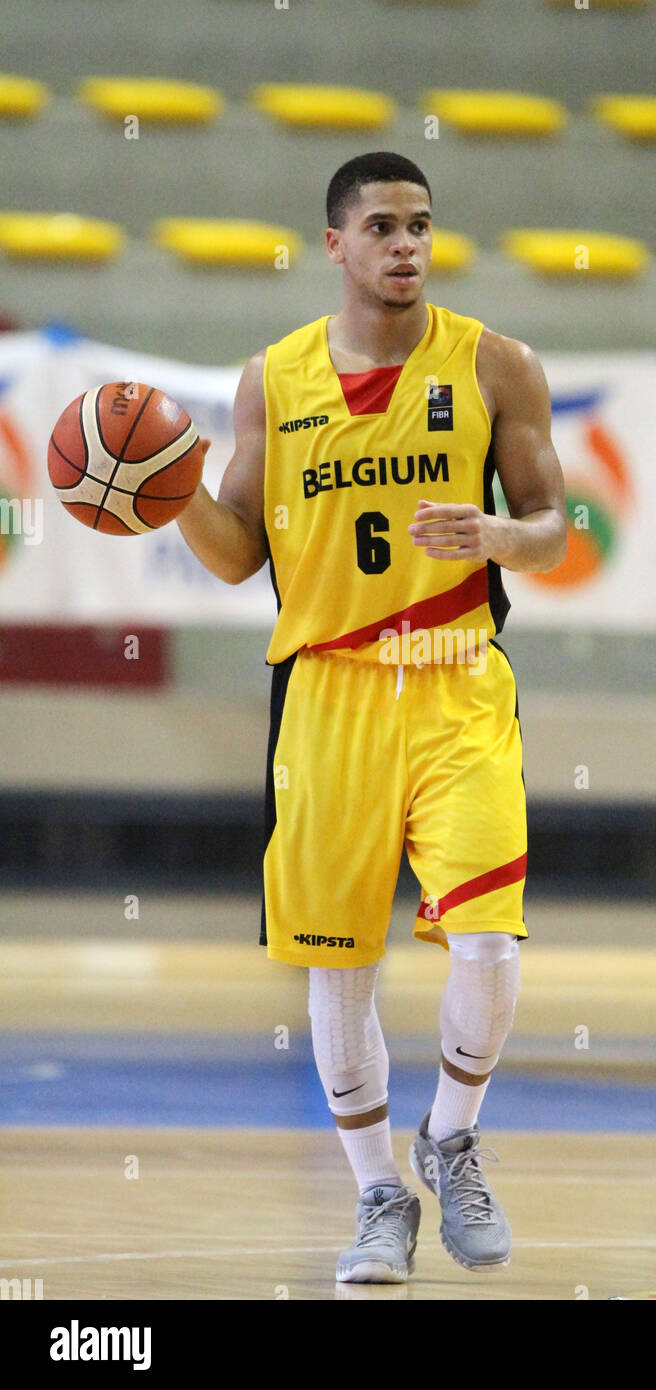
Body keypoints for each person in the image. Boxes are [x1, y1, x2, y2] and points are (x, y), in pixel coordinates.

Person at [177, 151, 566, 1283]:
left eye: (421, 226)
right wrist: (164, 498)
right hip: (328, 691)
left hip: (456, 678)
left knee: (487, 939)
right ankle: (377, 1198)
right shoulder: (273, 379)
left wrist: (493, 537)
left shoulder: (496, 364)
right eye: (383, 227)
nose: (407, 244)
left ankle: (449, 1137)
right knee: (337, 965)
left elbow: (552, 524)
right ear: (335, 245)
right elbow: (238, 550)